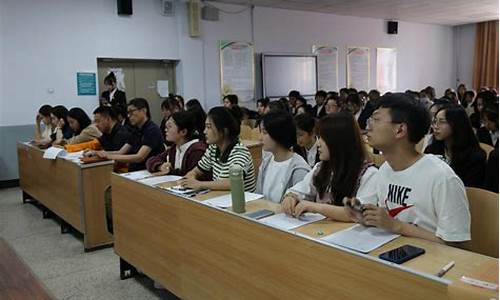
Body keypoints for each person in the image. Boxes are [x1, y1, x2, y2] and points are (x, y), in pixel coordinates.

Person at [345, 93, 471, 244]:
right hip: (395, 251)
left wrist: (397, 226)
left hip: (431, 261)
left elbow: (456, 244)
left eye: (376, 119)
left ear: (400, 130)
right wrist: (367, 218)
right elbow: (389, 219)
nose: (368, 125)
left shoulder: (441, 177)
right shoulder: (386, 169)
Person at [281, 112, 378, 220]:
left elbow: (359, 212)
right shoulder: (321, 168)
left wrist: (316, 207)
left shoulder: (368, 174)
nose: (318, 144)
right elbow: (300, 189)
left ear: (339, 141)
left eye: (323, 139)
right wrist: (291, 197)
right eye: (318, 137)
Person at [181, 107, 256, 191]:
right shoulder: (213, 148)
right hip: (221, 199)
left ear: (224, 130)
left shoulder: (240, 151)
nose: (204, 131)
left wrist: (199, 184)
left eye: (209, 127)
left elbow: (232, 183)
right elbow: (197, 170)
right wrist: (191, 177)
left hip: (243, 202)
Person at [425, 105, 486, 188]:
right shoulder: (431, 150)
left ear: (457, 124)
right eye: (435, 121)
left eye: (442, 122)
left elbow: (470, 189)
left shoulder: (475, 156)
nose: (435, 127)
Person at [94, 98, 164, 171]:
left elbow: (139, 157)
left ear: (143, 111)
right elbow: (120, 152)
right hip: (135, 171)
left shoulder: (152, 130)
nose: (128, 116)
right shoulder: (135, 130)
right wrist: (98, 153)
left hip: (149, 171)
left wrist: (109, 156)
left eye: (132, 112)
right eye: (128, 112)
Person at [256, 111, 310, 203]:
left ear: (278, 134)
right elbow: (258, 197)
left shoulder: (299, 169)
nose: (260, 138)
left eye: (265, 132)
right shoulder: (266, 162)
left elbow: (300, 204)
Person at [146, 111, 207, 176]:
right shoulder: (174, 148)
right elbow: (150, 160)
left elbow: (190, 175)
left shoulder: (197, 151)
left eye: (169, 127)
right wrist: (160, 166)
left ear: (183, 132)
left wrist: (170, 171)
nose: (165, 130)